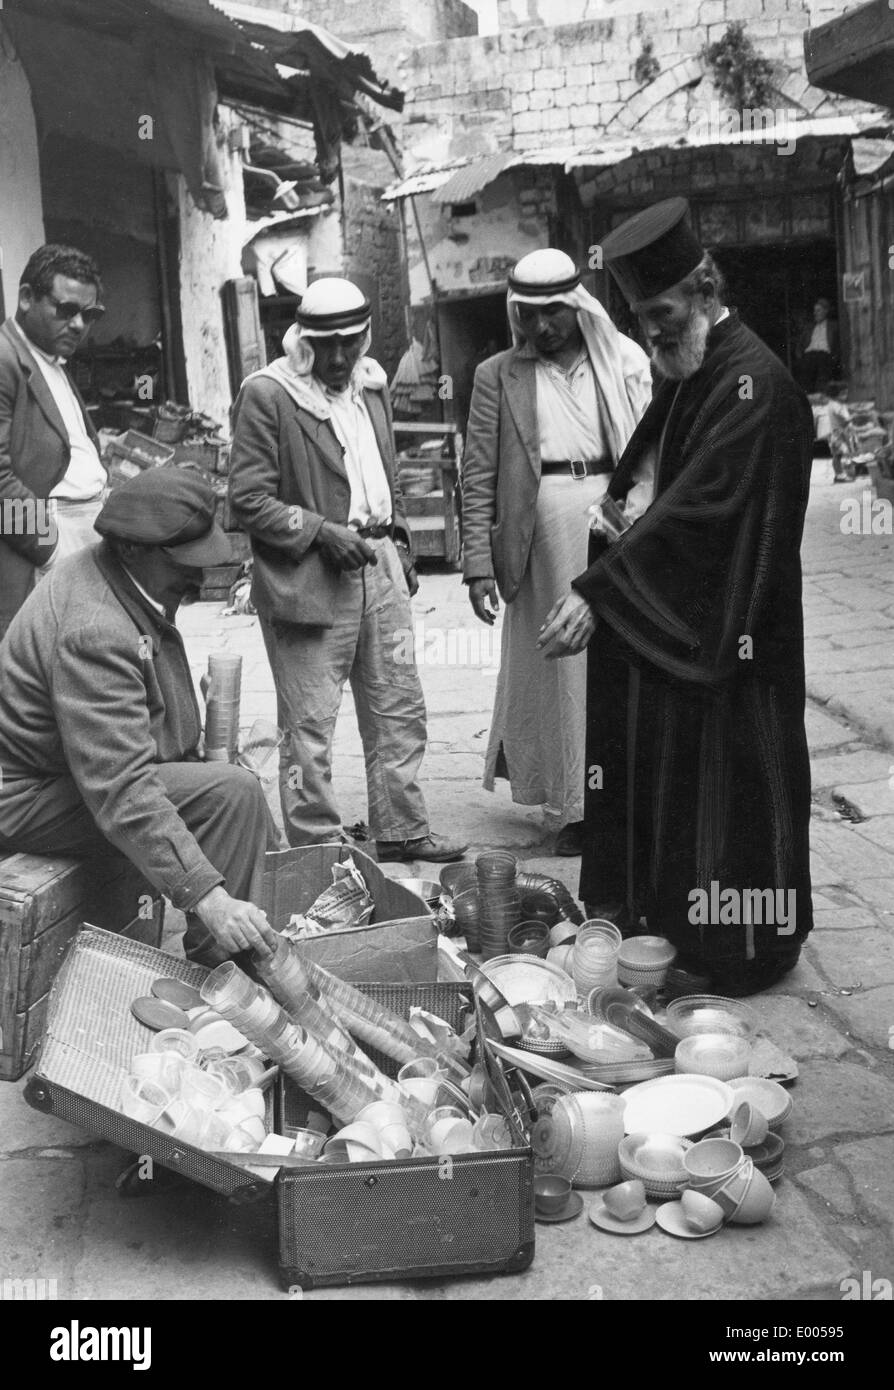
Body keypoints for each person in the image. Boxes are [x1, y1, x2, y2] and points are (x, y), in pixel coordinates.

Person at [538, 198, 814, 995]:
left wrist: (604, 589)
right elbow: (654, 485)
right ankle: (677, 931)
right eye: (640, 316)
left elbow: (705, 516)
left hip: (739, 641)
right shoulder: (693, 370)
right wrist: (615, 522)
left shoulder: (755, 385)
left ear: (703, 286)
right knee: (683, 796)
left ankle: (746, 947)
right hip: (689, 633)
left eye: (660, 312)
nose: (651, 331)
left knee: (734, 798)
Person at [228, 276, 467, 864]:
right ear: (302, 339)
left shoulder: (371, 384)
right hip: (309, 574)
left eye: (349, 343)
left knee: (398, 708)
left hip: (379, 565)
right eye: (324, 345)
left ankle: (404, 830)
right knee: (309, 730)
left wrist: (403, 544)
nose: (337, 358)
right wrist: (319, 533)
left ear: (363, 337)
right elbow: (246, 501)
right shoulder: (268, 394)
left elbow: (387, 471)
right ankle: (318, 854)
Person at [0, 468, 280, 968]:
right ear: (131, 549)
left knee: (230, 784)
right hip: (26, 797)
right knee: (232, 797)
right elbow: (122, 788)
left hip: (66, 768)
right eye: (183, 562)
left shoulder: (121, 576)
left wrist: (201, 738)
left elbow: (134, 713)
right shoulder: (95, 628)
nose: (197, 575)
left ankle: (234, 951)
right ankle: (226, 974)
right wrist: (208, 898)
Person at [461, 249, 651, 856]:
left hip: (614, 525)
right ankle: (573, 806)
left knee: (613, 663)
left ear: (576, 306)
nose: (541, 327)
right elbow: (479, 474)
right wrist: (477, 565)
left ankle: (621, 796)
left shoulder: (614, 362)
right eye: (529, 315)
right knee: (560, 670)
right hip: (537, 540)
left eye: (552, 314)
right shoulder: (497, 374)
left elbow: (646, 448)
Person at [0, 244, 109, 638]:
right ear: (27, 297)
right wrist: (50, 545)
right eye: (66, 310)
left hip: (81, 533)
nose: (79, 324)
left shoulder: (48, 358)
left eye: (90, 314)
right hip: (44, 542)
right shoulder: (6, 359)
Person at [796, 297, 839, 393]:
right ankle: (808, 398)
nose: (815, 313)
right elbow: (800, 344)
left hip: (824, 354)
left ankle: (820, 396)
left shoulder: (833, 326)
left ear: (826, 311)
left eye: (818, 310)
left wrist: (834, 357)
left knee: (822, 366)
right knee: (807, 368)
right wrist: (800, 356)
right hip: (810, 354)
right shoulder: (809, 327)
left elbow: (837, 344)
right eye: (814, 311)